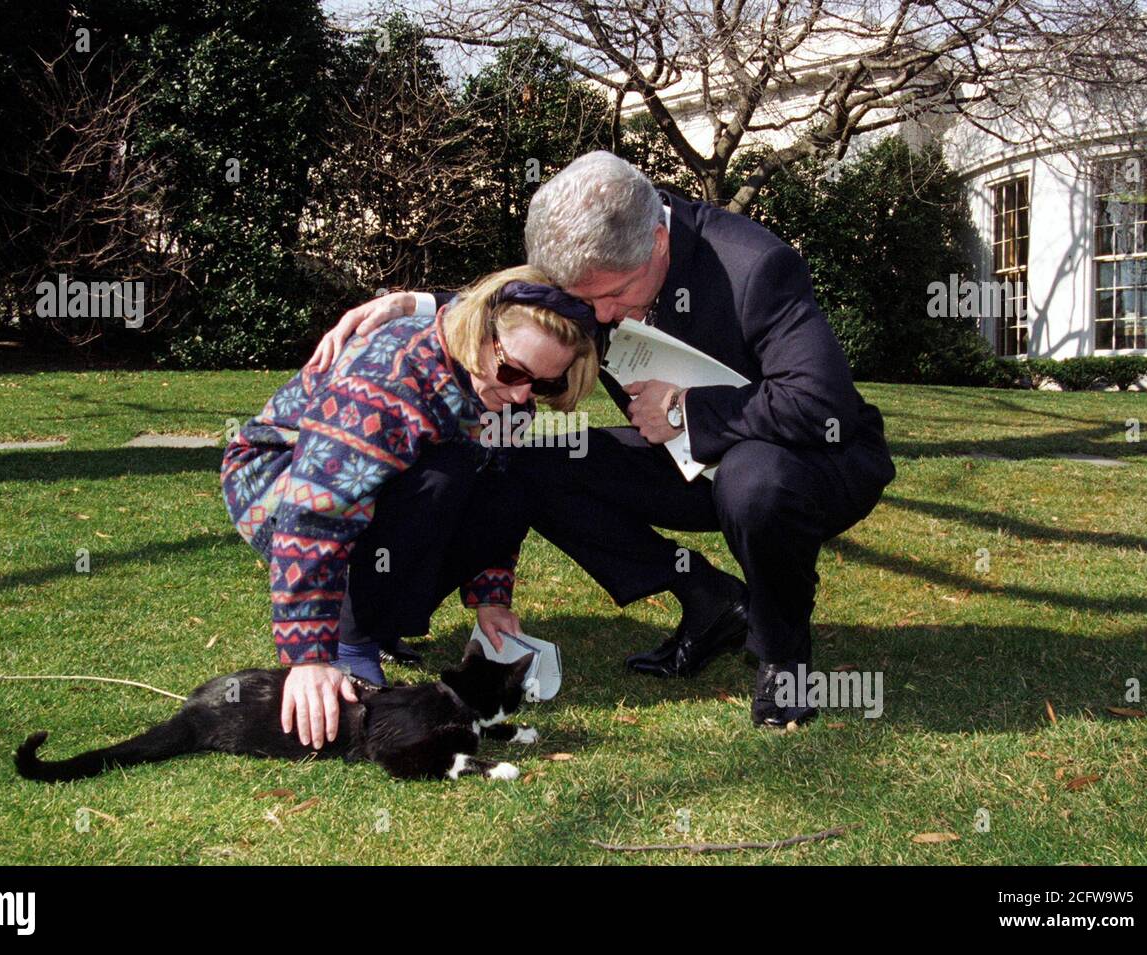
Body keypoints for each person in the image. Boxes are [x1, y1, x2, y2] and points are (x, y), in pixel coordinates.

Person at [310, 151, 896, 729]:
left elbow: (823, 404)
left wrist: (683, 407)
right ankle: (709, 598)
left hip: (812, 464)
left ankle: (782, 655)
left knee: (753, 480)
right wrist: (414, 303)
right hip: (684, 460)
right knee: (530, 461)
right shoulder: (599, 271)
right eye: (585, 299)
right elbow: (527, 311)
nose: (600, 315)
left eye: (613, 296)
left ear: (658, 245)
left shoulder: (756, 265)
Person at [222, 265, 598, 749]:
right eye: (513, 371)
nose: (522, 395)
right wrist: (309, 655)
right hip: (282, 491)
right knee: (441, 478)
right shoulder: (389, 377)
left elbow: (496, 493)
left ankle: (377, 617)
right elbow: (318, 511)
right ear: (479, 330)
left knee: (514, 479)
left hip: (374, 489)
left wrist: (492, 598)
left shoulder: (509, 397)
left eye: (544, 386)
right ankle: (350, 637)